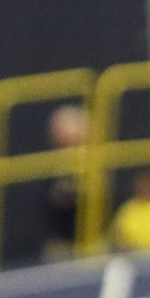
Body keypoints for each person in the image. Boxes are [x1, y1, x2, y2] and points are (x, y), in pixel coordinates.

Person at [42, 104, 87, 261]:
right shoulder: (51, 169)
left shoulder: (98, 164)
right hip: (64, 245)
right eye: (67, 143)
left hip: (99, 241)